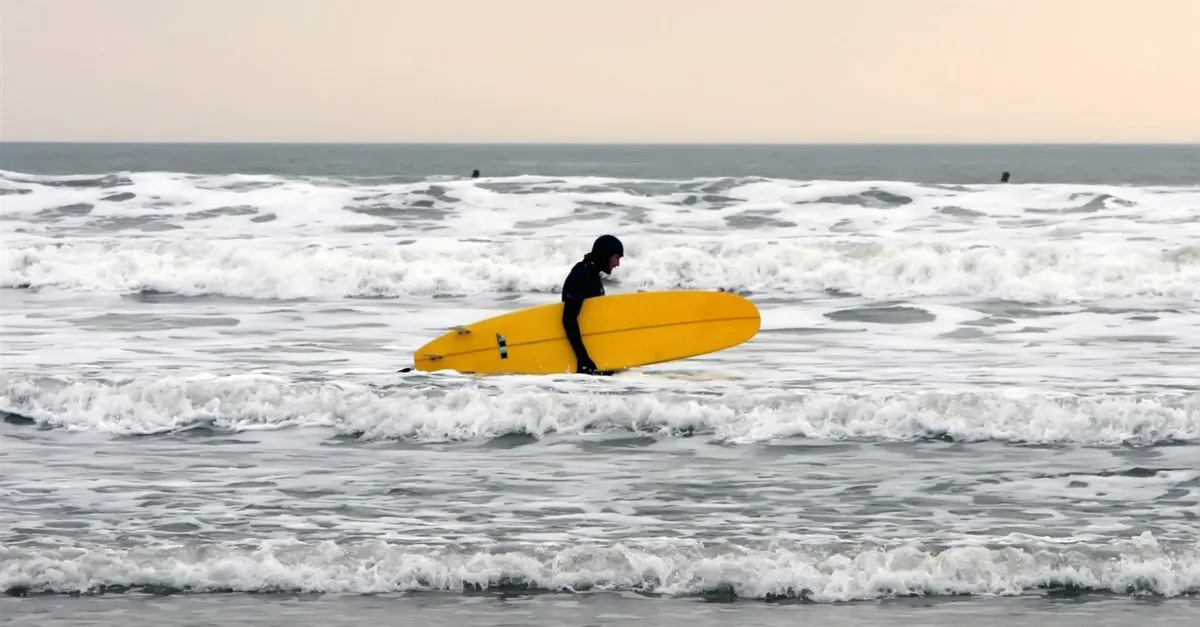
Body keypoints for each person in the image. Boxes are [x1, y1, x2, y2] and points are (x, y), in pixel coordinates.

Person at [561, 234, 623, 375]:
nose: (617, 264)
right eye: (617, 257)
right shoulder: (582, 274)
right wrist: (582, 358)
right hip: (585, 359)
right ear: (606, 255)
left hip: (594, 354)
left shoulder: (592, 273)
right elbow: (568, 319)